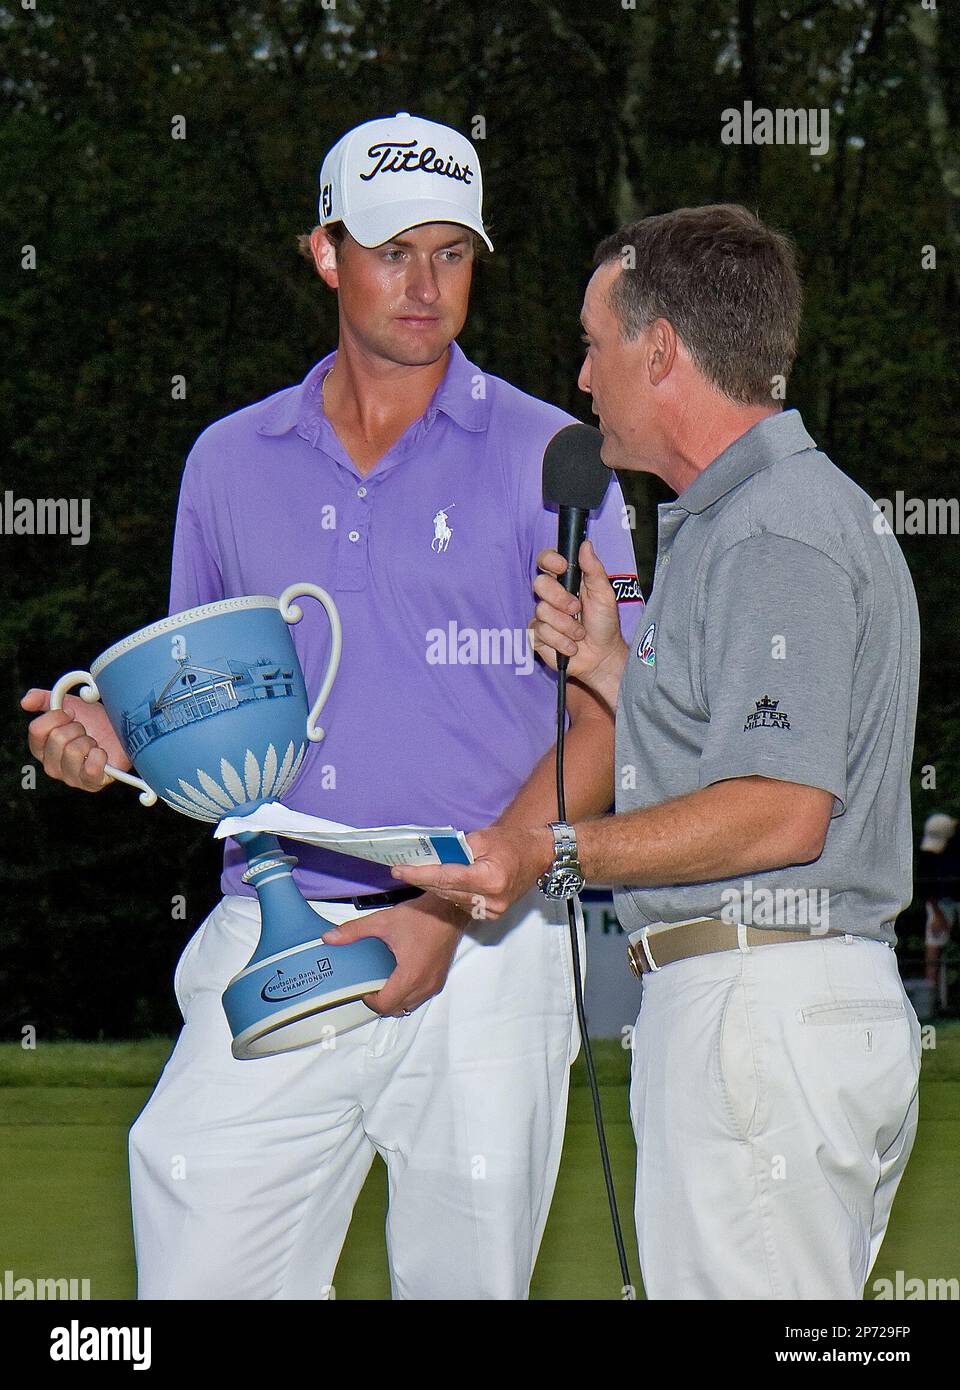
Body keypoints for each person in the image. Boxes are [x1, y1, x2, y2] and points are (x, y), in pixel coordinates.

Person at [21, 113, 642, 1300]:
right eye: (391, 248)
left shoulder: (557, 454)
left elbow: (610, 714)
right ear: (325, 253)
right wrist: (110, 738)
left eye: (452, 251)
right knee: (197, 1239)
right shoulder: (227, 460)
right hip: (285, 922)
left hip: (492, 951)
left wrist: (456, 905)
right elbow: (200, 701)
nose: (425, 283)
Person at [395, 204, 923, 1301]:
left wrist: (549, 852)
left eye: (593, 344)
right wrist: (609, 669)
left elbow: (782, 811)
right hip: (772, 1011)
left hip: (757, 1009)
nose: (582, 381)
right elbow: (745, 756)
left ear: (662, 348)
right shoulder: (752, 520)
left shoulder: (776, 531)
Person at [917, 811, 958, 1008]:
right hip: (940, 902)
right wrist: (937, 915)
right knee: (933, 945)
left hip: (955, 898)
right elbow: (927, 888)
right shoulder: (927, 855)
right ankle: (930, 1001)